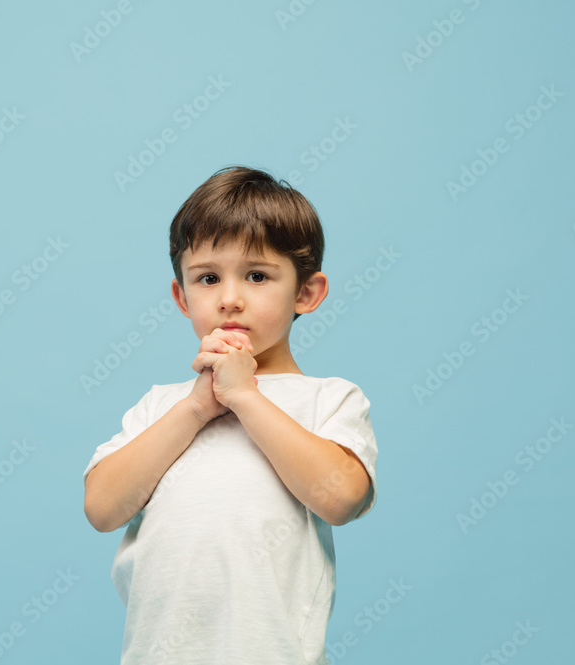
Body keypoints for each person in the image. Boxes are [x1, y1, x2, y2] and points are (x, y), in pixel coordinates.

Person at [83, 165, 378, 664]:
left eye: (258, 276)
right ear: (182, 297)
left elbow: (343, 498)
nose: (230, 299)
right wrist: (199, 406)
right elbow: (103, 508)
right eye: (208, 278)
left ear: (305, 293)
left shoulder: (329, 398)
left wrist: (245, 396)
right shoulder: (162, 405)